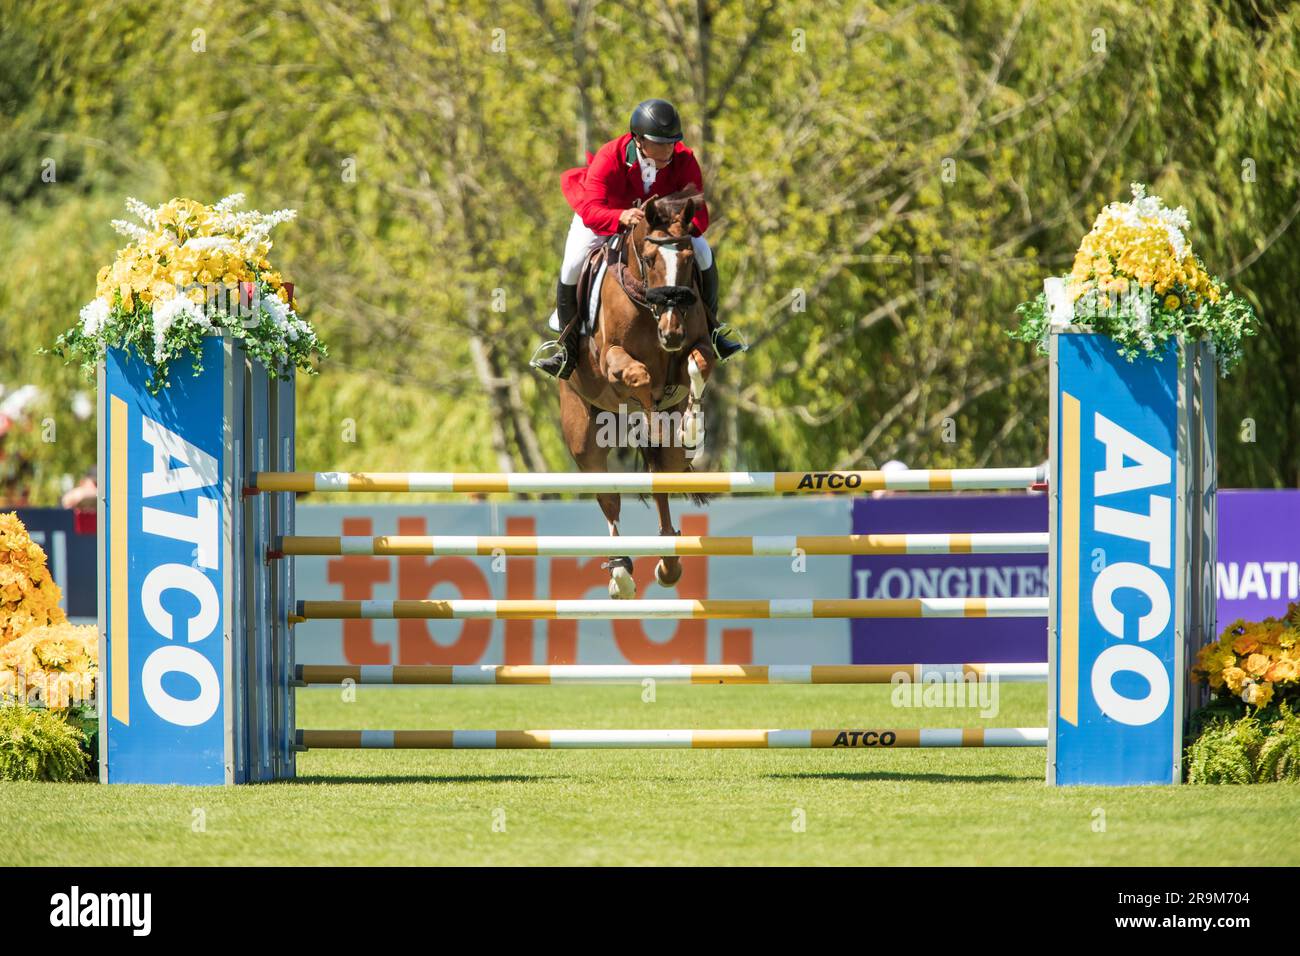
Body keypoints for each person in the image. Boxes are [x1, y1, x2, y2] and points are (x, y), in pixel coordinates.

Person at [532, 98, 746, 379]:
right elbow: (590, 210)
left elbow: (700, 216)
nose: (669, 148)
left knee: (703, 253)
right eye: (661, 142)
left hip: (662, 230)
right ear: (639, 140)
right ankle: (566, 346)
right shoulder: (611, 156)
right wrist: (619, 216)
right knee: (572, 262)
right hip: (604, 218)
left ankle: (713, 329)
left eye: (672, 141)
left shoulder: (684, 160)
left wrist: (674, 221)